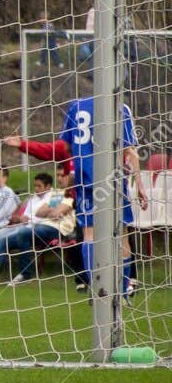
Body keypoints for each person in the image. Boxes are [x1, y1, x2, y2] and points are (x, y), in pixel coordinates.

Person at [60, 92, 149, 296]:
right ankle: (123, 289)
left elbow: (65, 145)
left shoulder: (76, 106)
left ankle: (97, 287)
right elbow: (130, 151)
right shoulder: (119, 107)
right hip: (113, 181)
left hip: (85, 181)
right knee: (121, 234)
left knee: (89, 233)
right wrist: (140, 186)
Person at [0, 173, 75, 284]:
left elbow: (54, 213)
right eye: (58, 175)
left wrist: (52, 211)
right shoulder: (57, 194)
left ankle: (25, 274)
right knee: (4, 241)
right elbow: (39, 212)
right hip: (41, 227)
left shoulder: (73, 194)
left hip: (58, 230)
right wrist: (52, 211)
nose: (59, 178)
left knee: (23, 232)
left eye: (63, 175)